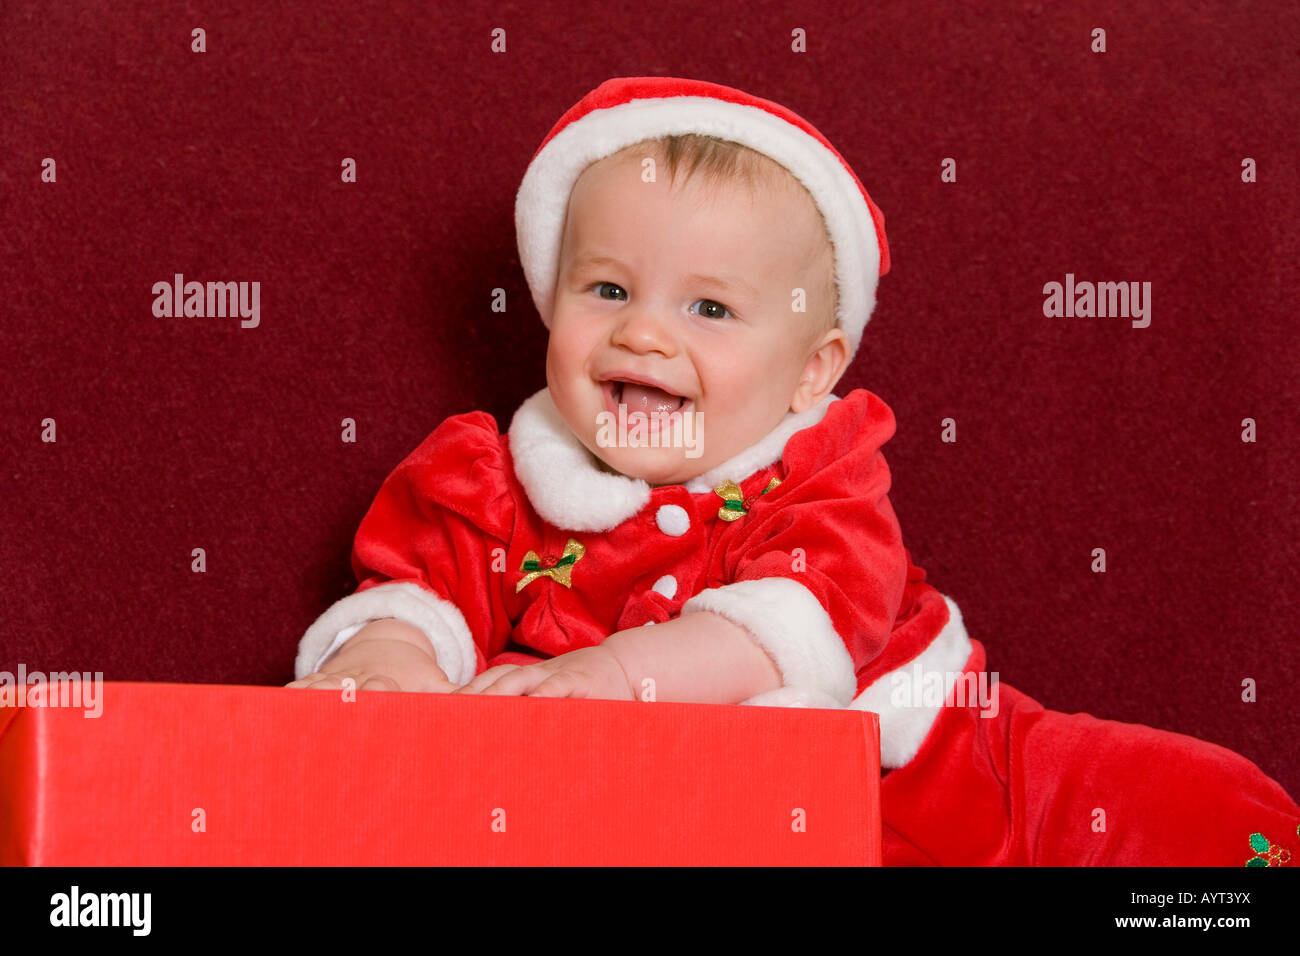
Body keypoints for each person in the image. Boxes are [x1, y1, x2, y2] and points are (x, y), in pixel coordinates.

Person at [287, 76, 1300, 865]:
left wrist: (608, 677)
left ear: (809, 372)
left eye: (709, 308)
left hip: (928, 754)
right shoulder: (494, 477)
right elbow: (418, 590)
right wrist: (387, 667)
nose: (642, 330)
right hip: (730, 820)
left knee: (1207, 811)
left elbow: (781, 631)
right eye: (606, 287)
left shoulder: (821, 474)